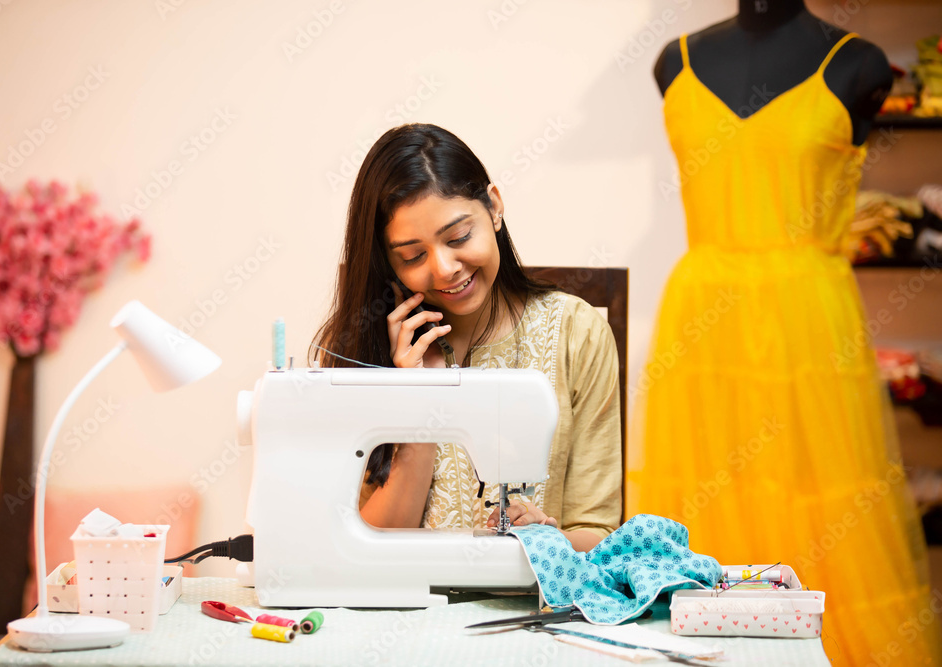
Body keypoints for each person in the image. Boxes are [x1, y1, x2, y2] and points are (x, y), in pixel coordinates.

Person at [633, 2, 942, 664]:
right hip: (705, 324)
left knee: (822, 511)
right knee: (708, 497)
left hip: (808, 322)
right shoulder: (674, 62)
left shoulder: (857, 64)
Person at [311, 123, 622, 551]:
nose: (444, 269)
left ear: (494, 207)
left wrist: (548, 541)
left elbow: (599, 532)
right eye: (413, 255)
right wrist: (416, 399)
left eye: (458, 237)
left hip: (531, 609)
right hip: (408, 607)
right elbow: (364, 544)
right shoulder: (363, 352)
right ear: (388, 262)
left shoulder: (577, 333)